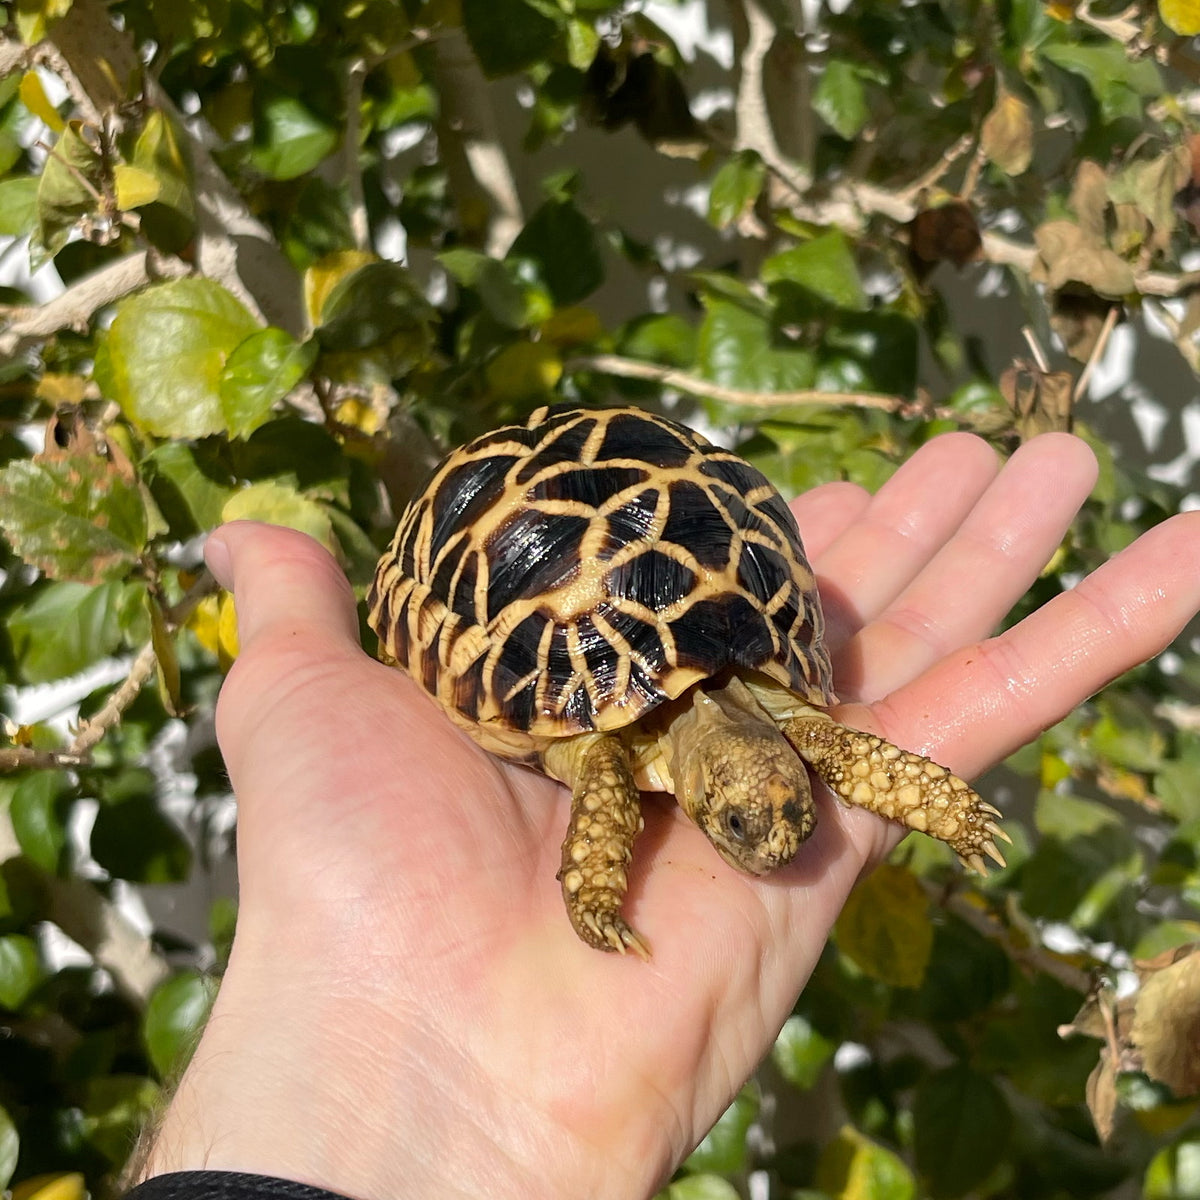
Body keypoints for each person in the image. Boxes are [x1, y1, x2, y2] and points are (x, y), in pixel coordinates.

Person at [126, 432, 1200, 1200]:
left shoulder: (790, 726)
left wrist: (933, 800)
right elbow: (621, 776)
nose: (780, 840)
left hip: (695, 567)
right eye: (748, 827)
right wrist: (593, 884)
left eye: (767, 816)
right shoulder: (604, 755)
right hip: (519, 543)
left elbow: (832, 744)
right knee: (605, 764)